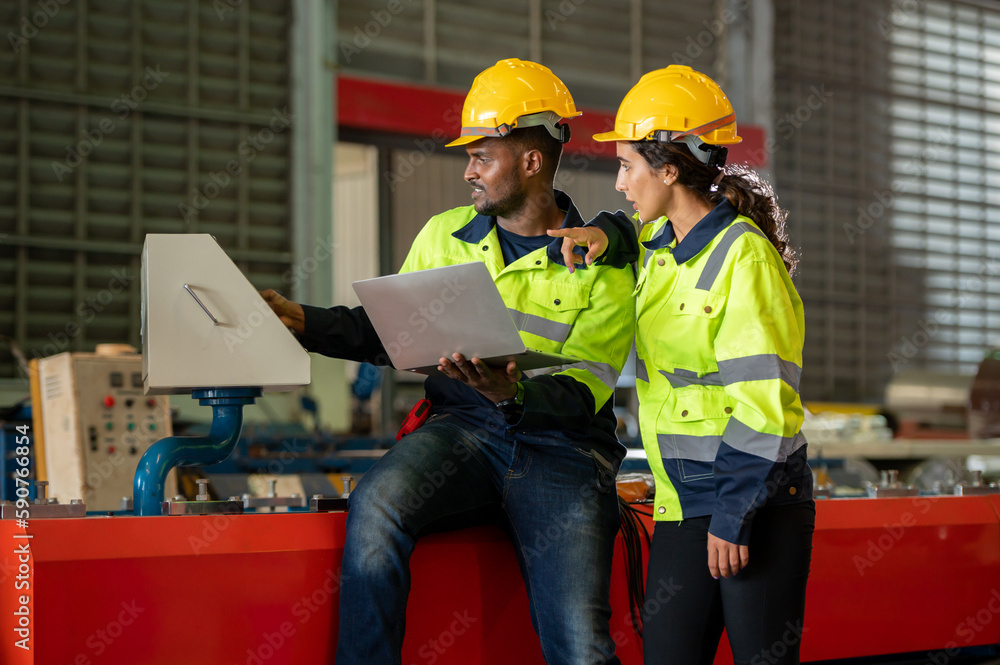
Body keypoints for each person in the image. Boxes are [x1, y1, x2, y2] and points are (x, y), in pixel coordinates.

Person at [260, 58, 636, 665]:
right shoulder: (446, 234)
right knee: (376, 505)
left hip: (561, 450)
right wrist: (302, 321)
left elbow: (584, 391)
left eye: (482, 155)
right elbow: (389, 331)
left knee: (580, 643)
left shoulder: (603, 262)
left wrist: (510, 393)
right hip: (460, 433)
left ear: (531, 161)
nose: (468, 171)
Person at [550, 65, 815, 665]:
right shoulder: (661, 245)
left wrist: (733, 514)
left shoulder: (743, 260)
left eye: (626, 166)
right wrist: (602, 234)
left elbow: (765, 404)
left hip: (755, 502)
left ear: (668, 170)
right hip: (682, 503)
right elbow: (629, 233)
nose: (619, 183)